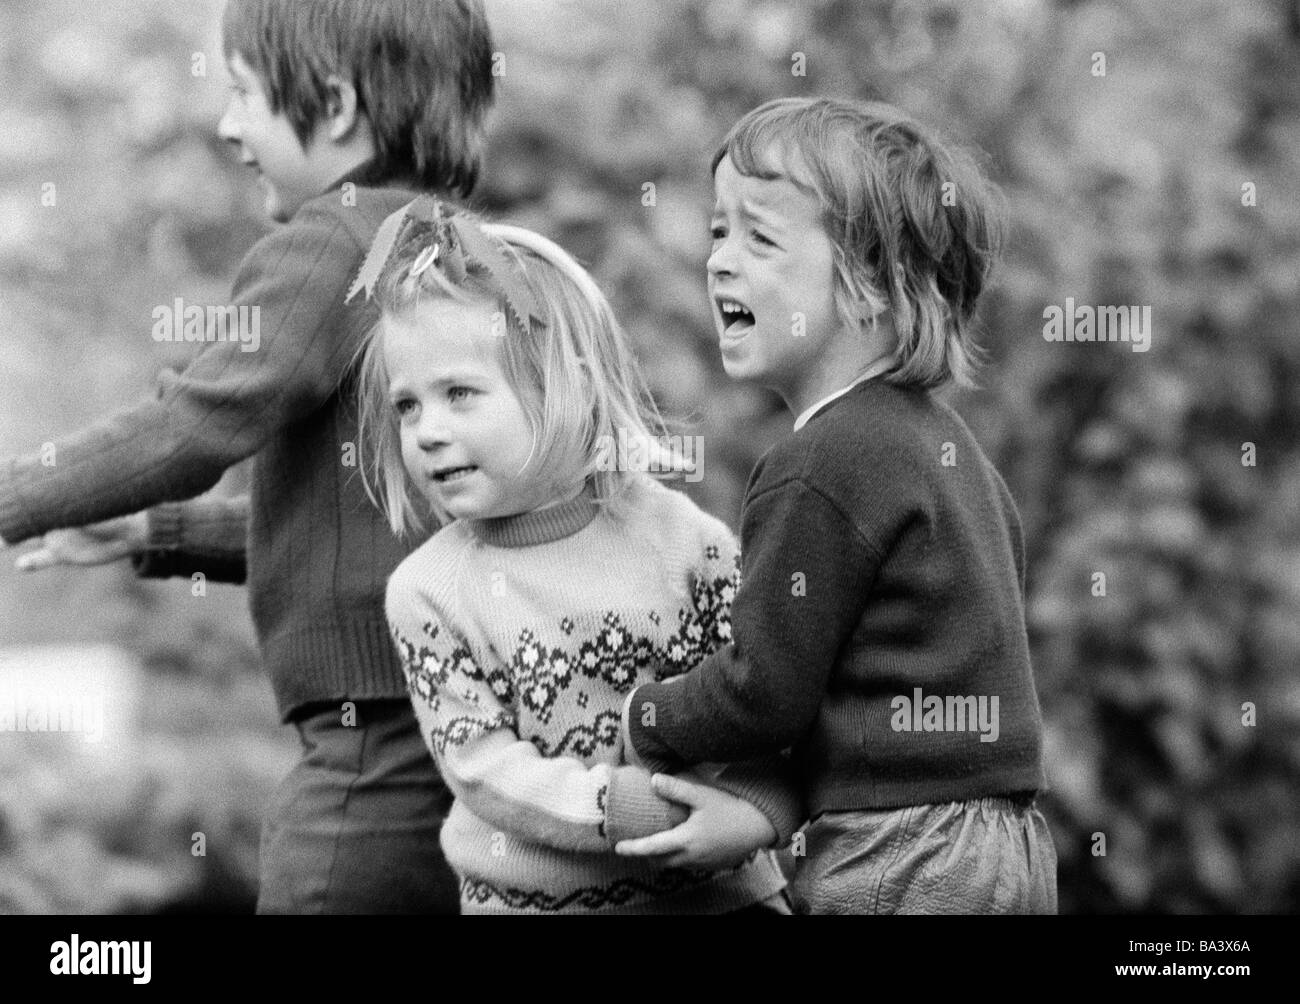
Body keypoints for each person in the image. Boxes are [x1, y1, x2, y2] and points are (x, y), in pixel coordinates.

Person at [0, 0, 496, 914]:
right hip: (466, 741)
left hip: (366, 752)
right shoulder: (466, 251)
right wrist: (158, 532)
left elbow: (193, 427)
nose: (227, 125)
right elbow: (397, 522)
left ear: (337, 105)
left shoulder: (330, 242)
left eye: (244, 93)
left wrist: (21, 493)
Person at [618, 96, 1058, 915]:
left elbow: (761, 693)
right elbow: (845, 693)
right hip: (1007, 849)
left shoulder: (821, 463)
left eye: (760, 237)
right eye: (718, 231)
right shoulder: (951, 454)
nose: (718, 260)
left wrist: (646, 715)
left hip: (902, 854)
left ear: (871, 285)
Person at [354, 198, 803, 914]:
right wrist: (621, 807)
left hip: (718, 895)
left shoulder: (687, 542)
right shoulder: (428, 591)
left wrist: (759, 808)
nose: (427, 431)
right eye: (407, 406)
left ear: (571, 387)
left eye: (460, 393)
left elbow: (773, 698)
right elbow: (482, 765)